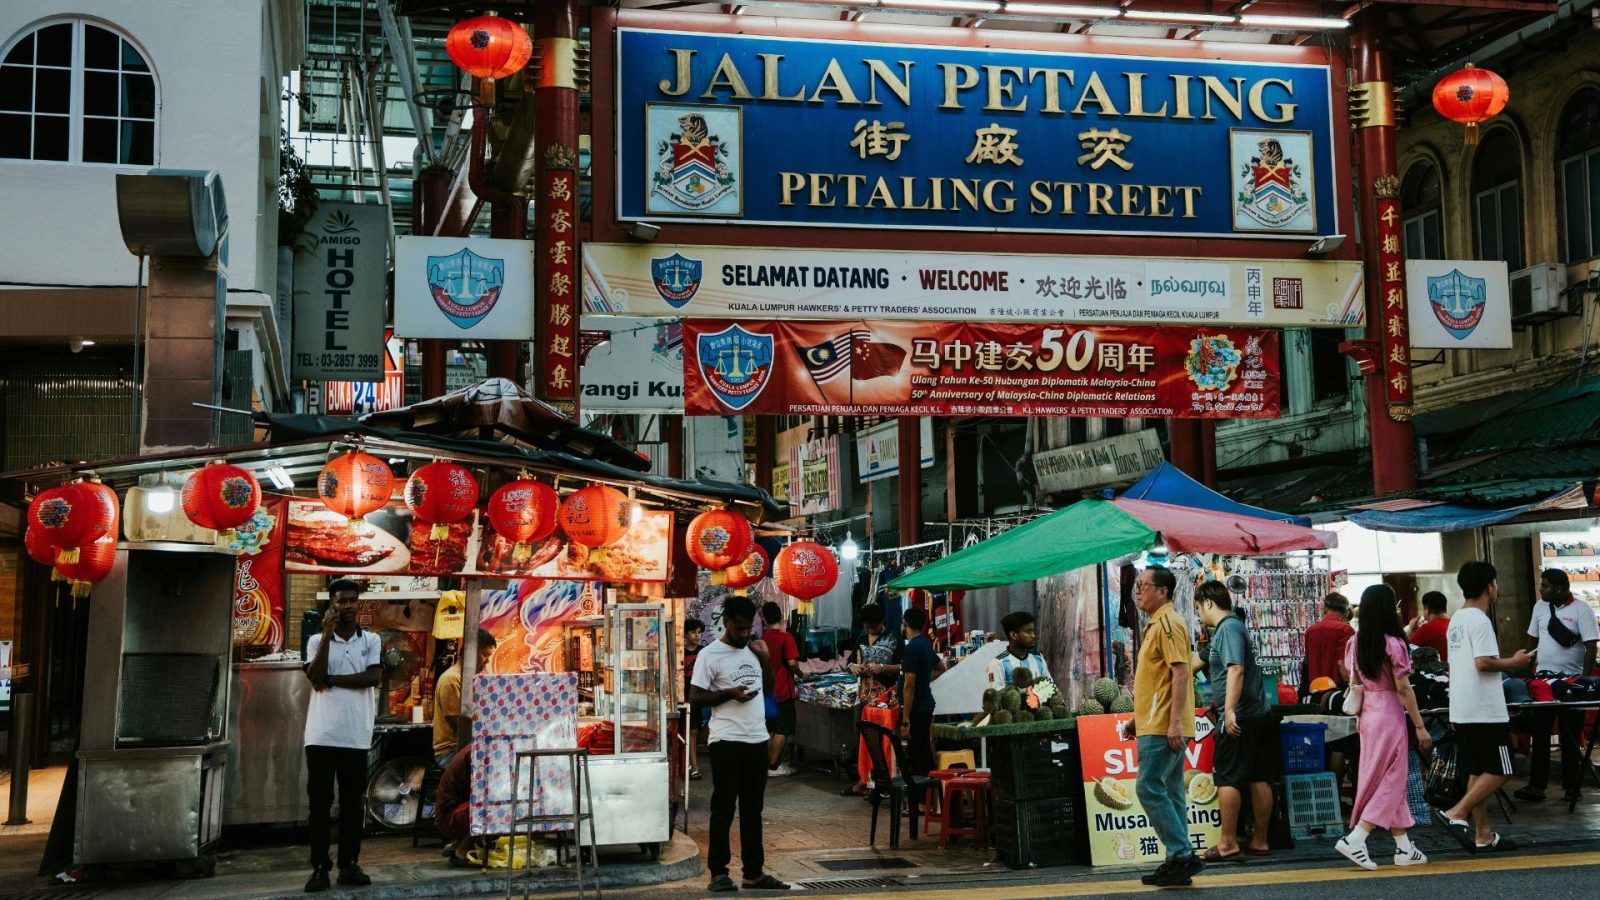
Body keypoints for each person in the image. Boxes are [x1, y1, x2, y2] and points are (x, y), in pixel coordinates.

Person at [688, 595, 790, 892]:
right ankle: (718, 872)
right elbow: (695, 696)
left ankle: (754, 873)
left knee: (752, 809)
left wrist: (766, 660)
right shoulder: (710, 655)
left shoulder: (755, 650)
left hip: (757, 739)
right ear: (726, 623)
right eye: (740, 628)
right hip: (726, 741)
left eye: (749, 628)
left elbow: (769, 690)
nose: (745, 633)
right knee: (723, 808)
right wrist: (729, 693)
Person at [1333, 585, 1433, 870]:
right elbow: (1403, 688)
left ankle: (1404, 848)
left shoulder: (1357, 641)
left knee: (1384, 776)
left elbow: (1354, 682)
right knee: (1392, 778)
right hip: (1390, 714)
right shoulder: (1394, 643)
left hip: (1367, 715)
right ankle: (1357, 837)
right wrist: (1419, 724)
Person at [1436, 561, 1532, 853]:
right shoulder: (1480, 620)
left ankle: (1483, 835)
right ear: (1490, 586)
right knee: (1502, 769)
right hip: (1485, 709)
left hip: (1463, 707)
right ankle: (1456, 813)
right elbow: (1484, 663)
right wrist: (1514, 663)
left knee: (1477, 772)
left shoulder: (1457, 619)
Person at [1119, 565, 1202, 887]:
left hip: (1163, 725)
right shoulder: (1157, 623)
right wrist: (1137, 720)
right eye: (1137, 586)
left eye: (1143, 585)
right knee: (1170, 791)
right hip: (1154, 722)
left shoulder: (1168, 623)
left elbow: (1180, 673)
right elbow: (1158, 683)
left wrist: (1174, 724)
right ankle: (1177, 860)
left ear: (1163, 592)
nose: (1137, 591)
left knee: (1148, 787)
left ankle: (1182, 854)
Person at [302, 578, 382, 892]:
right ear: (331, 604)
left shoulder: (371, 640)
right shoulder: (314, 641)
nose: (347, 606)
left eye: (352, 600)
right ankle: (320, 867)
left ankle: (349, 865)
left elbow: (372, 677)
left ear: (358, 604)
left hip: (356, 735)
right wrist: (325, 635)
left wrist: (331, 679)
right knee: (319, 805)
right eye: (341, 601)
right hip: (321, 734)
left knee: (352, 806)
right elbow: (314, 677)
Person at [1194, 580, 1276, 861]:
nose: (1198, 615)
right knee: (1258, 776)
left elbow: (1236, 669)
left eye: (1198, 608)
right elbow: (1199, 660)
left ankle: (1228, 842)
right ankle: (1260, 841)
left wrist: (1228, 710)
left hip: (1239, 718)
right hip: (1259, 714)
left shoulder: (1227, 628)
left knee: (1227, 777)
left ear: (1207, 603)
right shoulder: (1227, 630)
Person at [1517, 568, 1599, 802]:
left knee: (1570, 735)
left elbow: (1591, 646)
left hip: (1570, 682)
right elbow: (1533, 638)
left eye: (1545, 586)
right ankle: (1537, 786)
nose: (1541, 589)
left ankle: (1572, 787)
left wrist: (1583, 679)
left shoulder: (1581, 610)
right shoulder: (1540, 607)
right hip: (1543, 680)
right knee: (1540, 733)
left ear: (1561, 588)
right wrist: (1527, 667)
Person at [844, 604, 903, 796]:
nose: (870, 630)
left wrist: (883, 668)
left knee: (883, 741)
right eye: (867, 626)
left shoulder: (894, 640)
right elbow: (850, 662)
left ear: (882, 622)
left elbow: (904, 667)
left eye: (873, 626)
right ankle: (865, 780)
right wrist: (852, 666)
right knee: (864, 740)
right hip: (864, 698)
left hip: (885, 701)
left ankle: (882, 782)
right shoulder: (861, 639)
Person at [432, 629, 496, 769]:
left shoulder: (468, 679)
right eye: (484, 655)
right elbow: (458, 725)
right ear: (470, 652)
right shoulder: (451, 679)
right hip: (449, 753)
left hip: (463, 748)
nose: (487, 661)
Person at [899, 607, 945, 778]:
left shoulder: (913, 647)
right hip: (925, 705)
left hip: (917, 708)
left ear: (906, 624)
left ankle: (919, 798)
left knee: (917, 754)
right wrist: (924, 678)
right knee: (923, 749)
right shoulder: (925, 643)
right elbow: (941, 668)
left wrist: (905, 719)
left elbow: (909, 686)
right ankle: (924, 797)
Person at [759, 602, 802, 778]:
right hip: (783, 689)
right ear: (781, 616)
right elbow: (792, 663)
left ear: (764, 618)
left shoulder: (763, 638)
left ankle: (766, 763)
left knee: (771, 728)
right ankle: (773, 765)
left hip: (768, 691)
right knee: (783, 729)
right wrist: (801, 673)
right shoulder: (786, 638)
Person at [1304, 592, 1355, 694]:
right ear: (1346, 612)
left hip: (1314, 687)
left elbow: (1307, 662)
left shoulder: (1310, 630)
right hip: (1336, 688)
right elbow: (1342, 663)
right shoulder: (1346, 630)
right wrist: (1350, 685)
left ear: (1325, 609)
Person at [987, 610, 1051, 689]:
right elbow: (997, 698)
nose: (1033, 636)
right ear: (1014, 635)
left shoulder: (1038, 658)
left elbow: (1050, 690)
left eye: (1033, 631)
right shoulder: (998, 663)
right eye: (1028, 632)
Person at [436, 740, 475, 867]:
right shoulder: (475, 752)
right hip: (448, 817)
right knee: (492, 808)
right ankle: (462, 851)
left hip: (456, 810)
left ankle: (458, 842)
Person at [683, 618, 706, 781]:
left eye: (699, 632)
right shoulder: (679, 651)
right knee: (687, 731)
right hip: (682, 695)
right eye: (693, 632)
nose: (697, 636)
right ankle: (692, 766)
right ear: (685, 634)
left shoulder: (704, 652)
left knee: (694, 731)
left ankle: (693, 766)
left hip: (698, 695)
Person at [1406, 591, 1451, 657]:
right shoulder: (1453, 623)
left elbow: (1405, 650)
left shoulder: (1427, 628)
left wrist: (1410, 631)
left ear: (1427, 610)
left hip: (1437, 666)